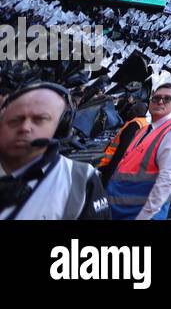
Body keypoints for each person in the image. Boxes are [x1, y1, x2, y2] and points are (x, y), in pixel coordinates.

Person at [0, 82, 109, 220]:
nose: (25, 127)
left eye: (39, 119)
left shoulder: (80, 179)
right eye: (16, 119)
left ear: (61, 127)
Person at [106, 82, 171, 220]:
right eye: (156, 98)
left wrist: (144, 217)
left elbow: (167, 180)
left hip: (138, 214)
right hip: (119, 210)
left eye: (167, 98)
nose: (160, 101)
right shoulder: (145, 129)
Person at [97, 99, 148, 182]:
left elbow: (121, 151)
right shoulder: (143, 123)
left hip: (110, 164)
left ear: (136, 112)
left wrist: (110, 171)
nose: (129, 112)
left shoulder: (134, 125)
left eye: (131, 110)